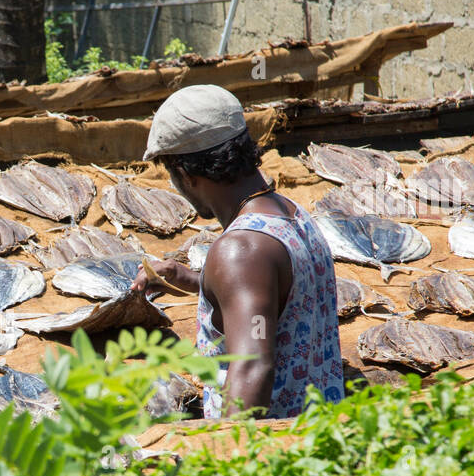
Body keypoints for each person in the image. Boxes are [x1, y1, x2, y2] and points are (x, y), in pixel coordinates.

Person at [131, 84, 344, 419]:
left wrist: (230, 461)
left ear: (185, 175)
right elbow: (267, 296)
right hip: (317, 442)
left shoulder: (239, 252)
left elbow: (252, 369)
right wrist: (193, 279)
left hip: (275, 456)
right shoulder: (290, 213)